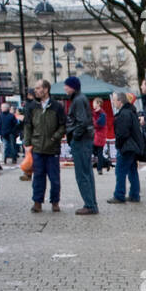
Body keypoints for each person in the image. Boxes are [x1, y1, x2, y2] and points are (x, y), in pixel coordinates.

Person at [23, 78, 65, 213]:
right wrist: (27, 143)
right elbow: (28, 126)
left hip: (52, 148)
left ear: (45, 89)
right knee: (38, 177)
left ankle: (55, 202)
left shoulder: (57, 106)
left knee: (54, 178)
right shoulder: (32, 107)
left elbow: (63, 125)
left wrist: (55, 137)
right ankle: (37, 202)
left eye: (37, 88)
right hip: (37, 147)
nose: (35, 91)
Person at [64, 75, 98, 215]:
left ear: (72, 87)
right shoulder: (80, 99)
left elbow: (82, 122)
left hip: (81, 140)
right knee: (87, 173)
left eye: (66, 85)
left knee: (82, 174)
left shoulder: (77, 100)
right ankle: (91, 203)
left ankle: (89, 204)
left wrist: (75, 137)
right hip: (84, 139)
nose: (65, 88)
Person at [106, 91, 144, 203]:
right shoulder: (131, 112)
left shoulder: (124, 114)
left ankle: (119, 195)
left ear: (120, 101)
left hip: (126, 147)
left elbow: (122, 133)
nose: (112, 102)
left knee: (120, 171)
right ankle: (134, 194)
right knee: (132, 171)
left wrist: (119, 145)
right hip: (132, 146)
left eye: (114, 99)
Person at [92, 97, 108, 174]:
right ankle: (107, 162)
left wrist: (93, 123)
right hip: (95, 135)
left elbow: (100, 124)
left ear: (98, 104)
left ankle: (99, 169)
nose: (93, 104)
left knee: (99, 152)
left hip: (100, 135)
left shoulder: (102, 114)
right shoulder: (94, 112)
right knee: (95, 152)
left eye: (94, 103)